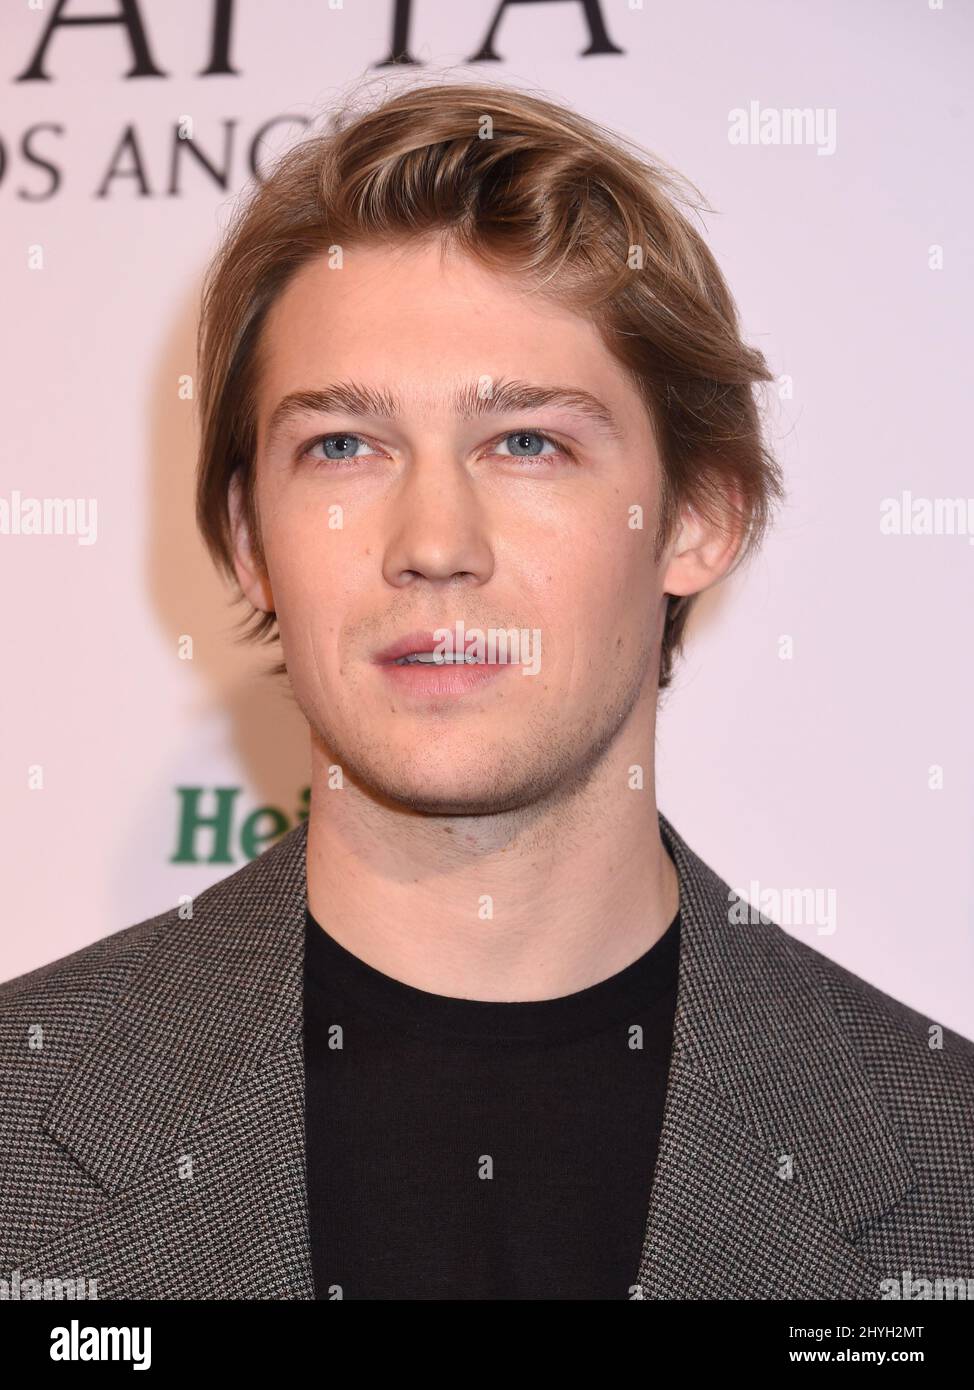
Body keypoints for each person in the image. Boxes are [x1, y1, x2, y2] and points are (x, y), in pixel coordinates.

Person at [2, 78, 972, 1302]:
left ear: (697, 516)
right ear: (250, 541)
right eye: (342, 446)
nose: (433, 539)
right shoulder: (20, 1118)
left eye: (527, 443)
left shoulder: (945, 1166)